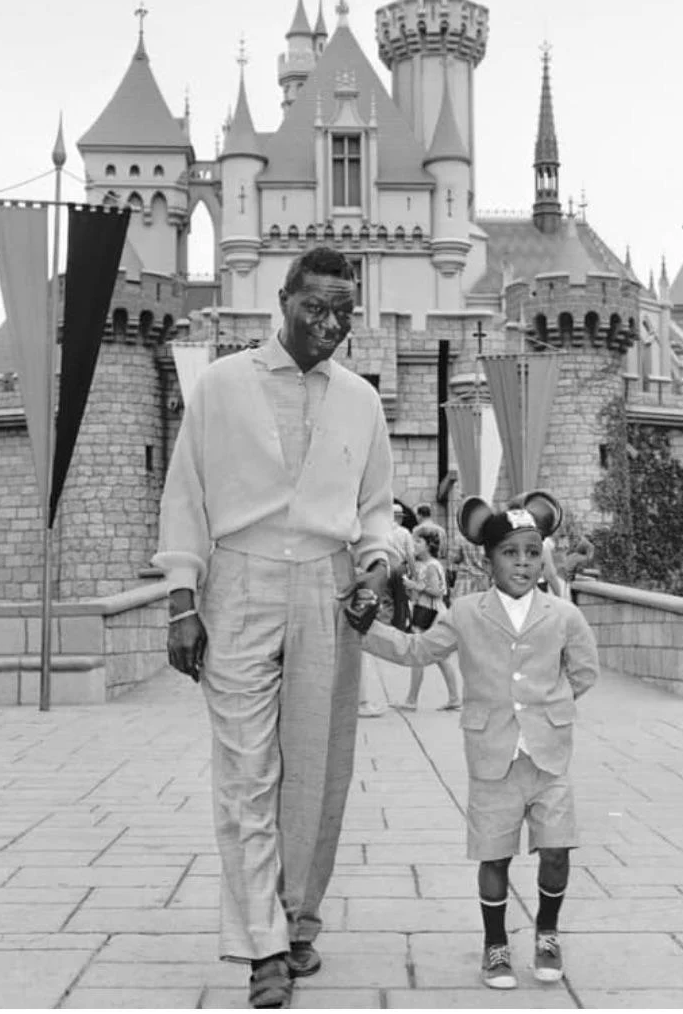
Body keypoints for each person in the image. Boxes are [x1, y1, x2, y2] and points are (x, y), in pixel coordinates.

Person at [154, 246, 393, 1009]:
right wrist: (182, 601)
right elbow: (185, 495)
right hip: (240, 582)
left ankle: (298, 921)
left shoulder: (361, 399)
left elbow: (378, 508)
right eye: (314, 307)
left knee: (319, 770)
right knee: (245, 772)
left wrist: (377, 568)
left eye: (343, 313)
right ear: (282, 299)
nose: (329, 325)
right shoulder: (223, 386)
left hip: (327, 584)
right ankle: (261, 948)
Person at [357, 490, 599, 991]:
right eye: (511, 553)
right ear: (487, 558)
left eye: (533, 553)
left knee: (557, 850)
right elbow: (418, 650)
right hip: (492, 755)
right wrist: (367, 632)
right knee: (494, 855)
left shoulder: (563, 615)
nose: (524, 563)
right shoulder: (465, 612)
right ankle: (495, 944)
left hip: (547, 757)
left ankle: (547, 932)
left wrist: (548, 709)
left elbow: (585, 672)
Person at [360, 502, 413, 717]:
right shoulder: (398, 532)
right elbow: (406, 556)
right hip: (387, 573)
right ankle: (361, 701)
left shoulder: (368, 526)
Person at [399, 527, 461, 711]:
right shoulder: (429, 564)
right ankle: (454, 698)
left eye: (418, 542)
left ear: (428, 545)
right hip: (429, 612)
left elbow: (437, 591)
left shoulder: (431, 566)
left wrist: (414, 585)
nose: (414, 545)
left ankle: (412, 700)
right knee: (440, 657)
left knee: (419, 655)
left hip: (430, 614)